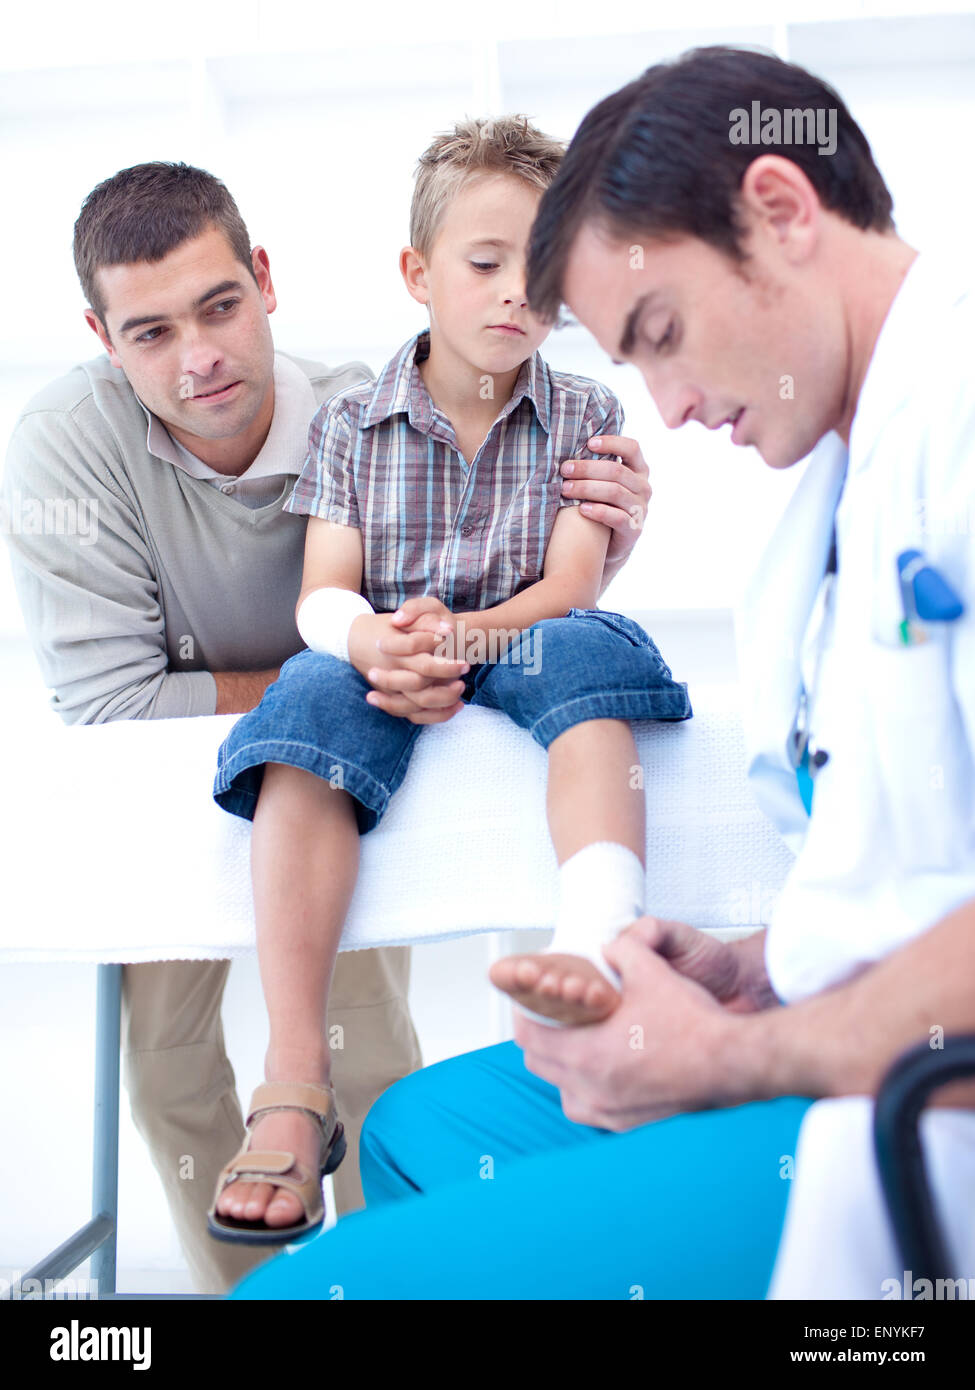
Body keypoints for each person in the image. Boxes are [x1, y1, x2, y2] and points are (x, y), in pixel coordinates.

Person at [228, 46, 975, 1300]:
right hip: (839, 1019)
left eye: (664, 333)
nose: (668, 410)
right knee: (420, 1134)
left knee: (293, 1297)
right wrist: (752, 962)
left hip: (912, 1115)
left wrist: (741, 1056)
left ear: (783, 213)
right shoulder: (843, 471)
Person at [1, 159, 652, 1292]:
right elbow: (110, 709)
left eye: (219, 307)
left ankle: (388, 1276)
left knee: (366, 1028)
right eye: (150, 333)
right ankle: (251, 1286)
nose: (199, 357)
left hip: (347, 768)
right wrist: (345, 666)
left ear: (263, 280)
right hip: (189, 772)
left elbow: (490, 584)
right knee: (163, 1060)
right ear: (104, 341)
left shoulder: (365, 410)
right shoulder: (63, 451)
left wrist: (593, 540)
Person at [207, 115, 690, 1243]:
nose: (516, 293)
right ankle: (292, 1080)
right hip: (392, 646)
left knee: (583, 658)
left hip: (522, 634)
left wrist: (464, 639)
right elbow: (325, 593)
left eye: (546, 269)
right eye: (484, 264)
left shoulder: (582, 412)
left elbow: (570, 585)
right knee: (310, 702)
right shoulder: (349, 425)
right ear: (418, 274)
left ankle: (597, 938)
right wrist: (371, 641)